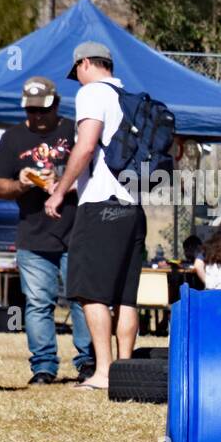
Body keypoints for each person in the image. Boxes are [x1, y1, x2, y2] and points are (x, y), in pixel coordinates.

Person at [43, 41, 147, 390]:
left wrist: (59, 190)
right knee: (126, 296)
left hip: (101, 207)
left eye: (77, 73)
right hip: (132, 208)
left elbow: (86, 146)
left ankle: (103, 373)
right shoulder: (132, 100)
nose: (78, 80)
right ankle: (126, 371)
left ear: (85, 63)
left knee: (92, 292)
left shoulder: (92, 94)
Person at [0, 76, 94, 384]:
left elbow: (94, 173)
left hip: (77, 231)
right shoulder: (11, 138)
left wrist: (64, 181)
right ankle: (44, 367)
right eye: (31, 111)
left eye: (42, 110)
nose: (36, 116)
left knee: (82, 299)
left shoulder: (74, 131)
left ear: (56, 105)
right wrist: (21, 183)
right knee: (37, 304)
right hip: (33, 237)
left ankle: (89, 362)